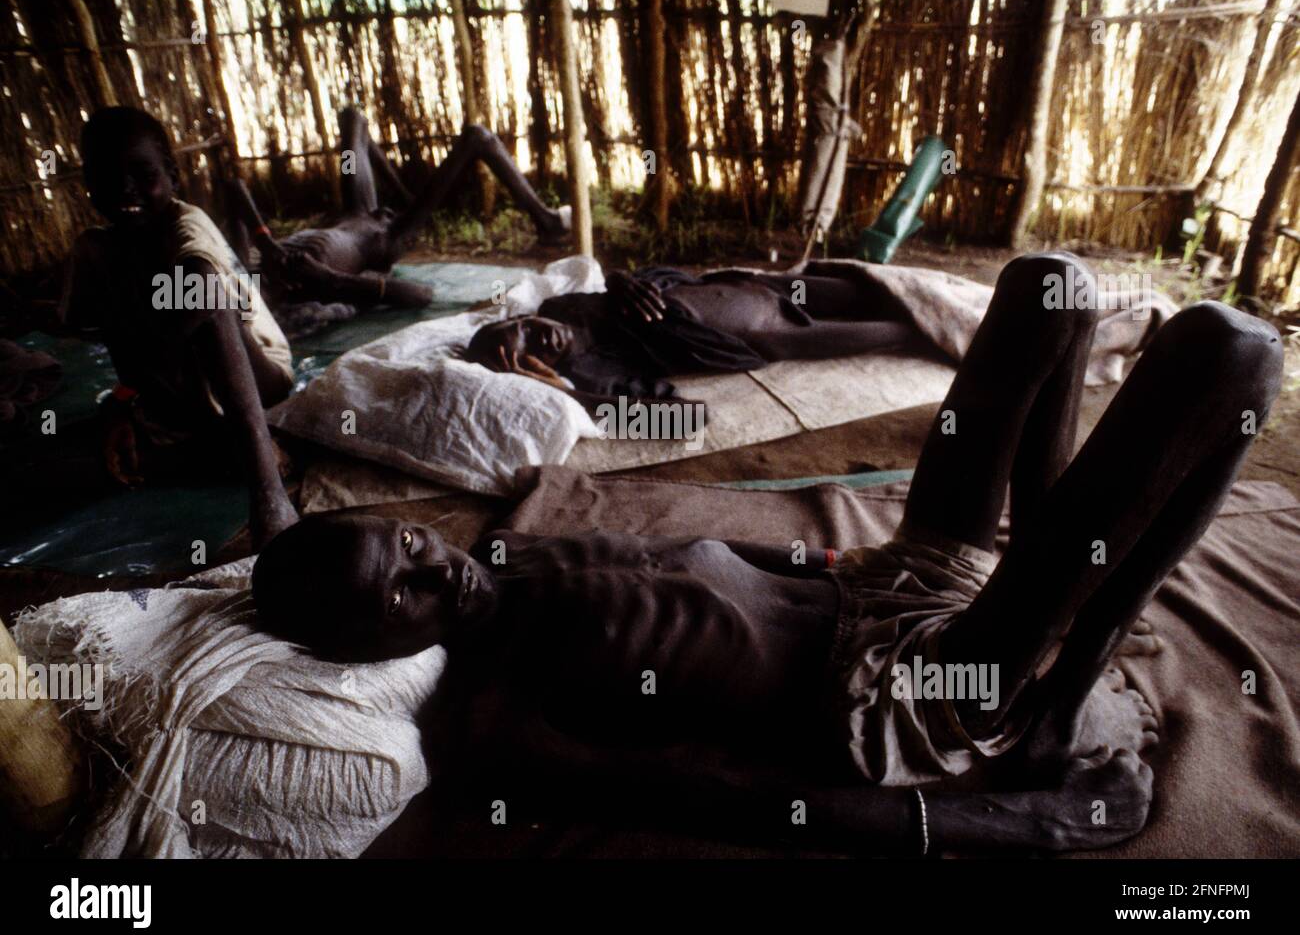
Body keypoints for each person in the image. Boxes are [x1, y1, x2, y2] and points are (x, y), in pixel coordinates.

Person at [253, 253, 1284, 853]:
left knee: (1046, 289)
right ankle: (1055, 670)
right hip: (910, 696)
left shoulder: (514, 559)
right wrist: (1025, 820)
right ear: (362, 647)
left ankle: (1057, 599)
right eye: (402, 592)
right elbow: (734, 803)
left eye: (408, 544)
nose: (437, 563)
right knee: (1227, 350)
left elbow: (727, 564)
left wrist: (840, 568)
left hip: (888, 587)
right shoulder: (491, 718)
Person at [52, 106, 298, 548]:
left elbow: (201, 293)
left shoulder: (186, 223)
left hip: (256, 374)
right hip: (179, 383)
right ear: (89, 187)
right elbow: (98, 329)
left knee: (202, 298)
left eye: (142, 172)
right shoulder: (99, 248)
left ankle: (267, 487)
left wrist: (133, 388)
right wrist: (125, 404)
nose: (125, 187)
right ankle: (223, 449)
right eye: (107, 176)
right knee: (80, 465)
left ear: (171, 175)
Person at [228, 107, 571, 338]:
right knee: (476, 137)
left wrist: (265, 243)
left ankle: (402, 192)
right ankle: (548, 221)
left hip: (354, 211)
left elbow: (234, 188)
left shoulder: (247, 268)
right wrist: (328, 278)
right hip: (384, 238)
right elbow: (420, 295)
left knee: (351, 119)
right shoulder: (308, 291)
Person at [462, 266, 915, 406]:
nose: (540, 337)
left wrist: (623, 282)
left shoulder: (557, 307)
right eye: (528, 352)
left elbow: (610, 277)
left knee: (891, 290)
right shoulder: (589, 373)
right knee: (908, 328)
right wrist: (562, 393)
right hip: (777, 334)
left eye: (523, 328)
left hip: (752, 285)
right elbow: (680, 419)